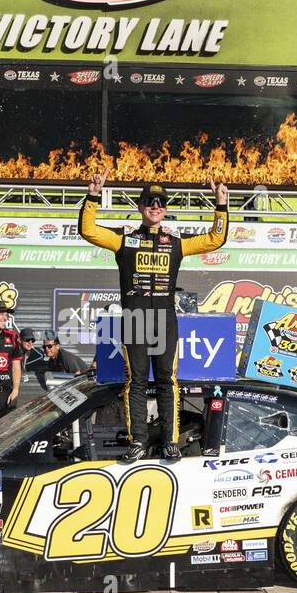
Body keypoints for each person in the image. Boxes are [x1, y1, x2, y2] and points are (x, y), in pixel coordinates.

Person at [80, 173, 228, 462]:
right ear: (140, 206)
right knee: (135, 382)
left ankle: (170, 443)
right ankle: (138, 442)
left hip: (164, 320)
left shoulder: (175, 241)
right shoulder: (124, 238)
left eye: (161, 202)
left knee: (166, 379)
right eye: (150, 201)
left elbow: (215, 239)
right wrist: (93, 196)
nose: (155, 205)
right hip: (134, 318)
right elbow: (88, 231)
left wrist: (220, 204)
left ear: (166, 208)